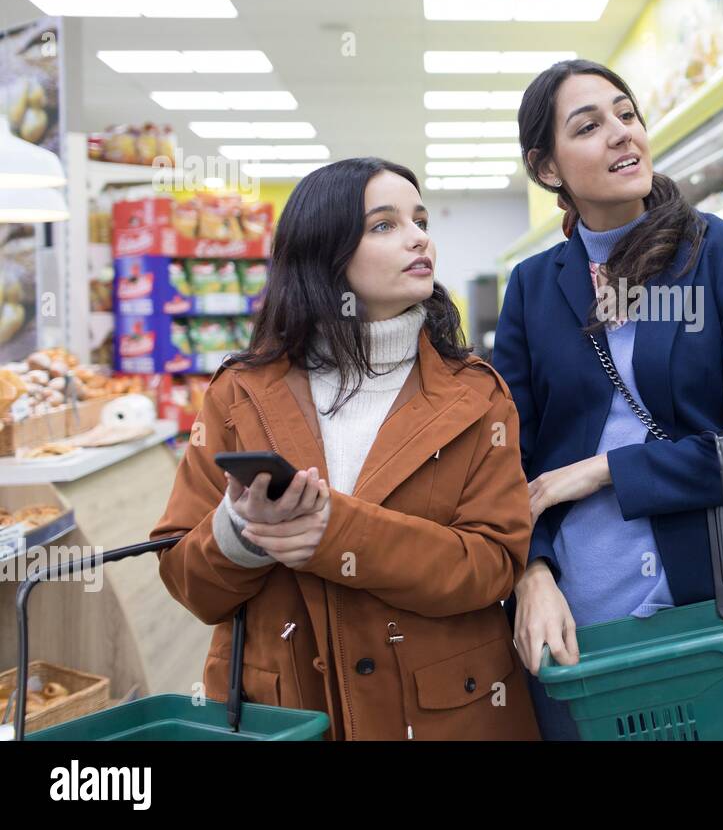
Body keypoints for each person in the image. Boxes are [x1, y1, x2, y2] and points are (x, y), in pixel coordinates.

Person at [151, 158, 539, 741]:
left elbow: (492, 567)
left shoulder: (477, 394)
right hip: (290, 716)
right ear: (322, 252)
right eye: (384, 225)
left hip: (443, 715)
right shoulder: (240, 394)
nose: (418, 237)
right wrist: (242, 531)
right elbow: (190, 583)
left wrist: (336, 533)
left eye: (420, 219)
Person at [493, 59, 723, 739]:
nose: (619, 133)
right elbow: (504, 461)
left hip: (717, 602)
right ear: (548, 169)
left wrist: (607, 469)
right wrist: (531, 574)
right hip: (580, 619)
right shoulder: (532, 287)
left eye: (626, 114)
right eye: (589, 125)